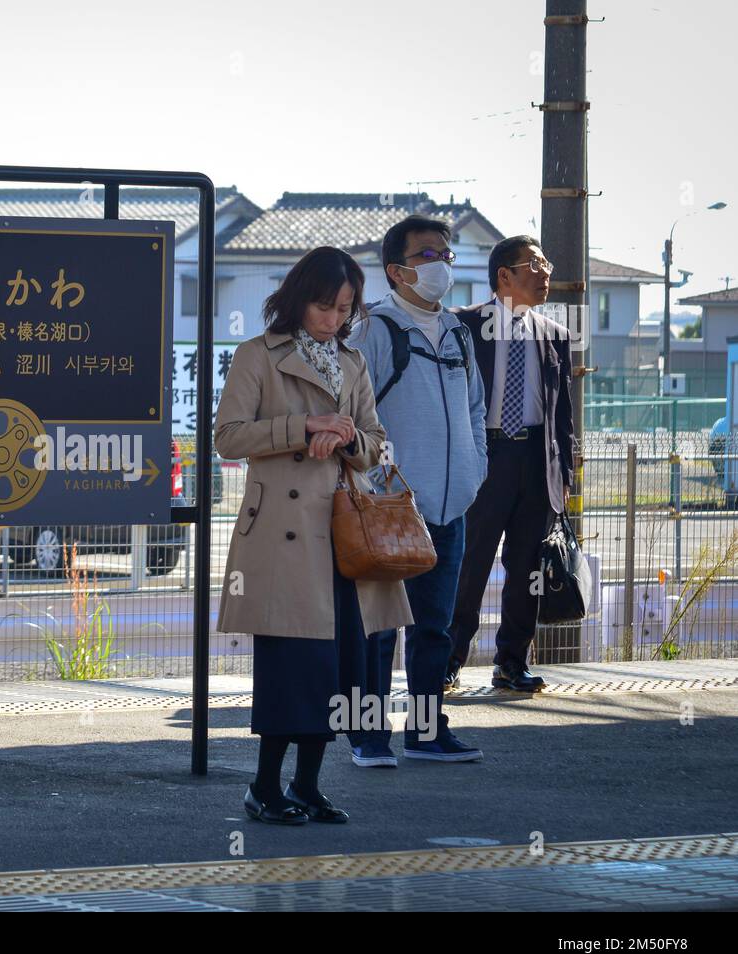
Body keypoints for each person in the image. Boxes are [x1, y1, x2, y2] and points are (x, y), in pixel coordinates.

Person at [215, 246, 413, 824]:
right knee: (291, 670)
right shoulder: (257, 355)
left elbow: (376, 442)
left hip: (343, 536)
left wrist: (346, 439)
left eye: (344, 308)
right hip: (281, 537)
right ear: (299, 298)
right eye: (324, 306)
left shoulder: (351, 363)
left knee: (339, 670)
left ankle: (307, 785)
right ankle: (262, 787)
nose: (333, 319)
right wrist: (304, 428)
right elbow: (228, 437)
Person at [351, 216, 487, 765]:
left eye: (446, 255)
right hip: (389, 507)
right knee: (379, 630)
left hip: (451, 506)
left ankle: (427, 733)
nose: (442, 264)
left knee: (435, 629)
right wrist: (381, 479)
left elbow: (475, 408)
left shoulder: (456, 330)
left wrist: (475, 467)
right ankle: (367, 735)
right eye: (428, 255)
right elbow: (357, 413)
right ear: (397, 270)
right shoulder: (375, 330)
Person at [447, 236, 575, 692]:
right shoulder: (461, 327)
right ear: (505, 274)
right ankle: (448, 658)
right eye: (536, 264)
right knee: (469, 562)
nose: (546, 272)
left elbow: (564, 414)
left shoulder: (555, 335)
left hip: (538, 462)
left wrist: (567, 476)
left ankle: (511, 662)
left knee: (528, 569)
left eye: (547, 262)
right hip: (485, 457)